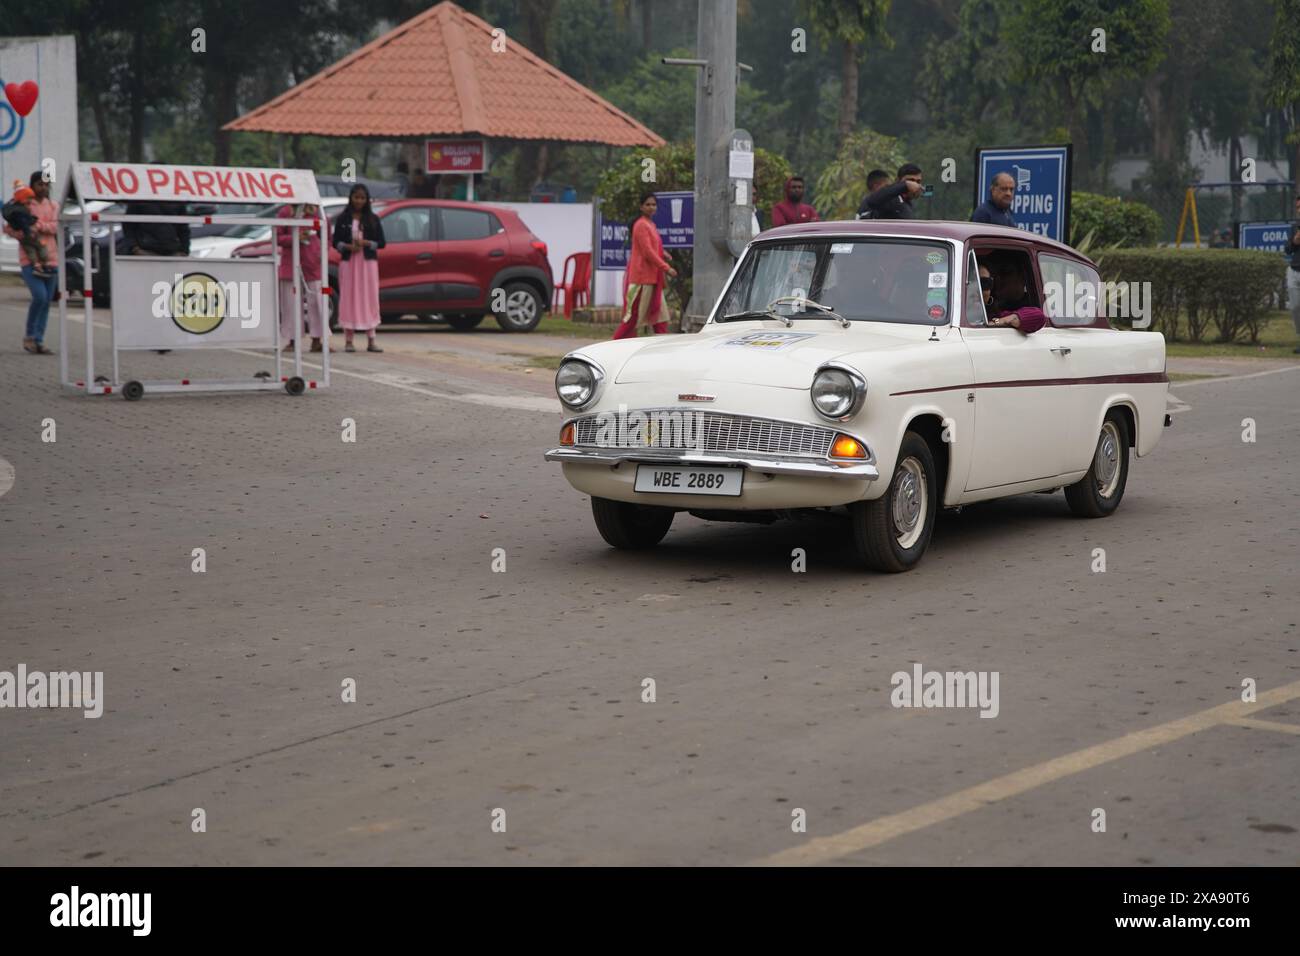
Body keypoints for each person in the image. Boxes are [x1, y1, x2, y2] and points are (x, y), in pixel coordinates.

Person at [2, 171, 59, 354]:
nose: (43, 188)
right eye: (39, 184)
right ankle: (29, 336)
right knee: (39, 296)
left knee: (47, 300)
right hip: (29, 259)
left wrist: (39, 226)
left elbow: (56, 226)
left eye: (45, 185)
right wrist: (20, 233)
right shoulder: (25, 204)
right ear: (32, 186)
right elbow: (9, 227)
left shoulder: (53, 205)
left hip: (51, 258)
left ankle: (39, 341)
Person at [612, 192, 676, 340]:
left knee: (660, 318)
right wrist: (666, 267)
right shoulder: (641, 225)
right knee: (632, 319)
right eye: (647, 204)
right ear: (641, 207)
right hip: (642, 280)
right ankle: (612, 346)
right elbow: (647, 252)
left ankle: (662, 351)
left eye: (653, 204)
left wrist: (664, 253)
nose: (651, 207)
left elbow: (653, 247)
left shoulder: (651, 224)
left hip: (654, 279)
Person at [332, 184, 386, 352]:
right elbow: (335, 242)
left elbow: (382, 243)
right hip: (349, 264)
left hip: (368, 264)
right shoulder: (343, 219)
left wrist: (367, 243)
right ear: (351, 198)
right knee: (349, 297)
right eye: (356, 197)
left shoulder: (373, 219)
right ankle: (349, 340)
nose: (359, 201)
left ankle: (371, 339)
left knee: (369, 298)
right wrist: (347, 247)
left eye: (362, 198)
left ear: (366, 199)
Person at [276, 202, 327, 353]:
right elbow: (278, 237)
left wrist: (321, 252)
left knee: (316, 301)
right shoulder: (285, 211)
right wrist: (295, 237)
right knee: (291, 303)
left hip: (313, 263)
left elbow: (326, 236)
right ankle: (292, 341)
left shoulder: (317, 211)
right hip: (290, 262)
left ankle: (317, 340)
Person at [980, 257, 1046, 333]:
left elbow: (1038, 316)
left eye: (1005, 272)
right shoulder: (990, 304)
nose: (999, 278)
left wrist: (997, 322)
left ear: (1022, 278)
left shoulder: (1031, 302)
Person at [3, 181, 54, 275]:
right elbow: (23, 223)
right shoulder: (21, 211)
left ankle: (36, 265)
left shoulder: (13, 209)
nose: (30, 203)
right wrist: (31, 228)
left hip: (24, 238)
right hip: (29, 234)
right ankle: (45, 263)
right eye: (28, 200)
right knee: (41, 246)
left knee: (30, 250)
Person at [858, 163, 924, 220]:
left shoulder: (907, 204)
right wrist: (905, 185)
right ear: (898, 181)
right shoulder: (889, 199)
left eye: (918, 182)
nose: (915, 184)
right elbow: (872, 200)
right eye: (910, 180)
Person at [1288, 194, 1300, 353]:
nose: (1299, 210)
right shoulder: (1294, 227)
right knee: (1296, 307)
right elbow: (1287, 249)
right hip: (1294, 269)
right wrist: (1294, 241)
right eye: (1298, 207)